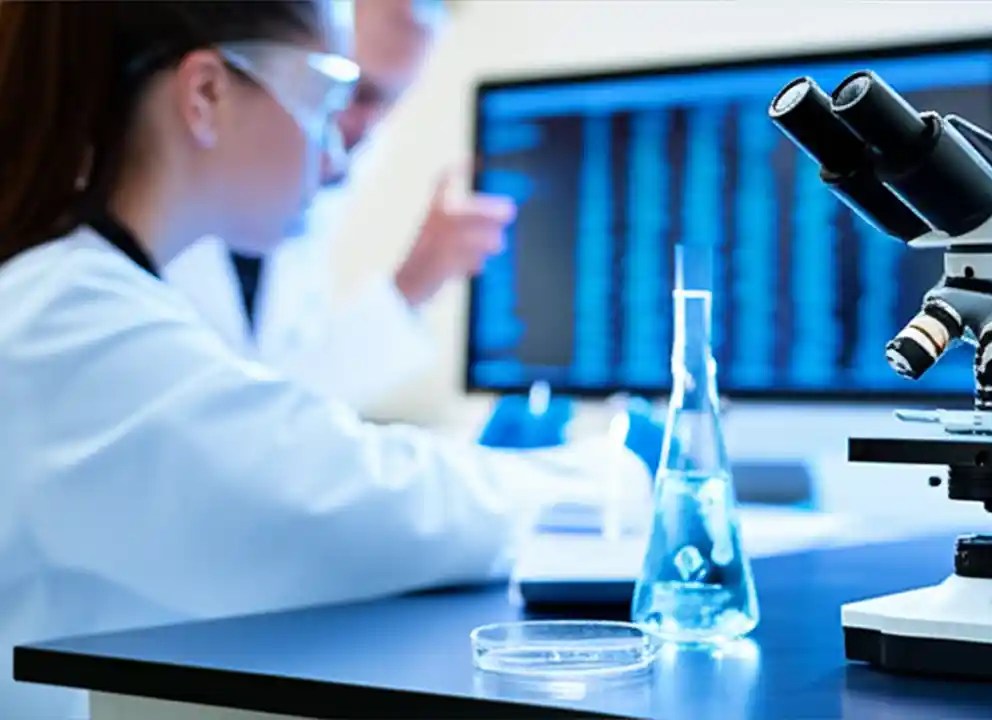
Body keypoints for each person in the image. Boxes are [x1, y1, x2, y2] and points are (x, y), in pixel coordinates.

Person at [0, 2, 651, 718]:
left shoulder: (68, 297)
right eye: (329, 97)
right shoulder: (64, 319)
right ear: (206, 95)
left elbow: (275, 438)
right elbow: (360, 505)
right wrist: (617, 475)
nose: (338, 156)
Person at [164, 0, 503, 409]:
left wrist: (415, 284)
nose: (362, 131)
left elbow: (279, 402)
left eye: (391, 103)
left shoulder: (332, 171)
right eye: (353, 91)